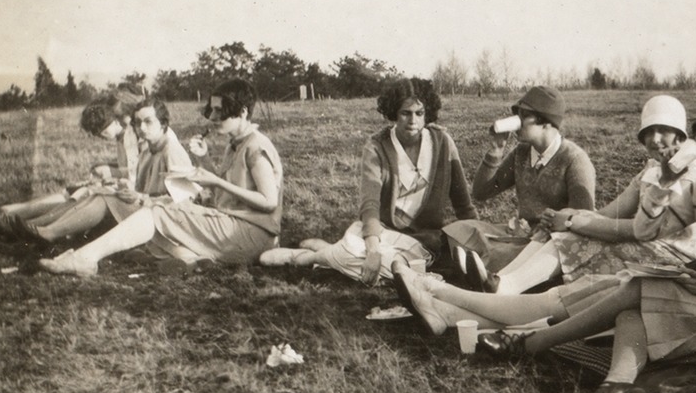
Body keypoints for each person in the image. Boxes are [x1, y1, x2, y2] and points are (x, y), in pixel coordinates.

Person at [393, 103, 696, 393]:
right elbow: (644, 229)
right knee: (626, 308)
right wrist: (665, 185)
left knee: (626, 288)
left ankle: (512, 332)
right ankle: (611, 389)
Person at [38, 78, 284, 276]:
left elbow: (268, 202)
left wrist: (215, 180)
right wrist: (204, 159)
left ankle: (84, 258)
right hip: (236, 227)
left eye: (222, 111)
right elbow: (225, 196)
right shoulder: (236, 144)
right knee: (159, 217)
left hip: (254, 235)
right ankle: (189, 258)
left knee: (157, 214)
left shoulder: (255, 146)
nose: (213, 117)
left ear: (242, 112)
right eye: (213, 110)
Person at [259, 77, 476, 285]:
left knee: (396, 268)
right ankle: (309, 256)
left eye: (419, 113)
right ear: (393, 113)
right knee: (373, 259)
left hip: (422, 240)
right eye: (405, 113)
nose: (413, 121)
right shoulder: (377, 147)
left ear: (428, 113)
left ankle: (318, 256)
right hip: (380, 231)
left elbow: (463, 204)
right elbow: (369, 205)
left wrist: (478, 238)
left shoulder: (443, 143)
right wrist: (373, 250)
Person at [481, 94, 696, 295]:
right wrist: (570, 214)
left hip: (672, 259)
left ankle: (509, 286)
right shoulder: (651, 169)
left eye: (664, 130)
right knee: (565, 225)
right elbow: (611, 212)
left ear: (680, 135)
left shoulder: (691, 176)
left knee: (580, 236)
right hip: (646, 248)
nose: (655, 139)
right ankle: (502, 279)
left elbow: (637, 230)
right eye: (649, 132)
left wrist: (571, 222)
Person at [442, 85, 596, 288]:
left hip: (550, 242)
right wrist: (495, 151)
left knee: (504, 252)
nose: (517, 123)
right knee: (458, 228)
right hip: (520, 233)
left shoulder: (574, 159)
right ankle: (482, 268)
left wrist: (548, 226)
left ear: (546, 122)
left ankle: (488, 273)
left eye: (524, 116)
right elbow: (481, 192)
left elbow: (581, 217)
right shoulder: (522, 153)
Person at [9, 98, 192, 244]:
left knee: (102, 195)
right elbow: (139, 185)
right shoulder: (146, 149)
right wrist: (126, 189)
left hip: (165, 221)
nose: (141, 128)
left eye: (148, 122)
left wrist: (139, 197)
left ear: (163, 124)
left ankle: (45, 231)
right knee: (99, 192)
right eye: (137, 123)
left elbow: (186, 202)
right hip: (147, 210)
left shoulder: (171, 150)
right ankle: (36, 228)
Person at [0, 87, 146, 235]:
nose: (122, 122)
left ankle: (27, 222)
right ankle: (14, 214)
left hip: (134, 195)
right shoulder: (126, 136)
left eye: (122, 117)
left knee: (80, 194)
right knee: (74, 192)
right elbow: (132, 167)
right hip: (129, 188)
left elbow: (137, 175)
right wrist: (109, 170)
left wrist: (110, 174)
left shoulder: (135, 137)